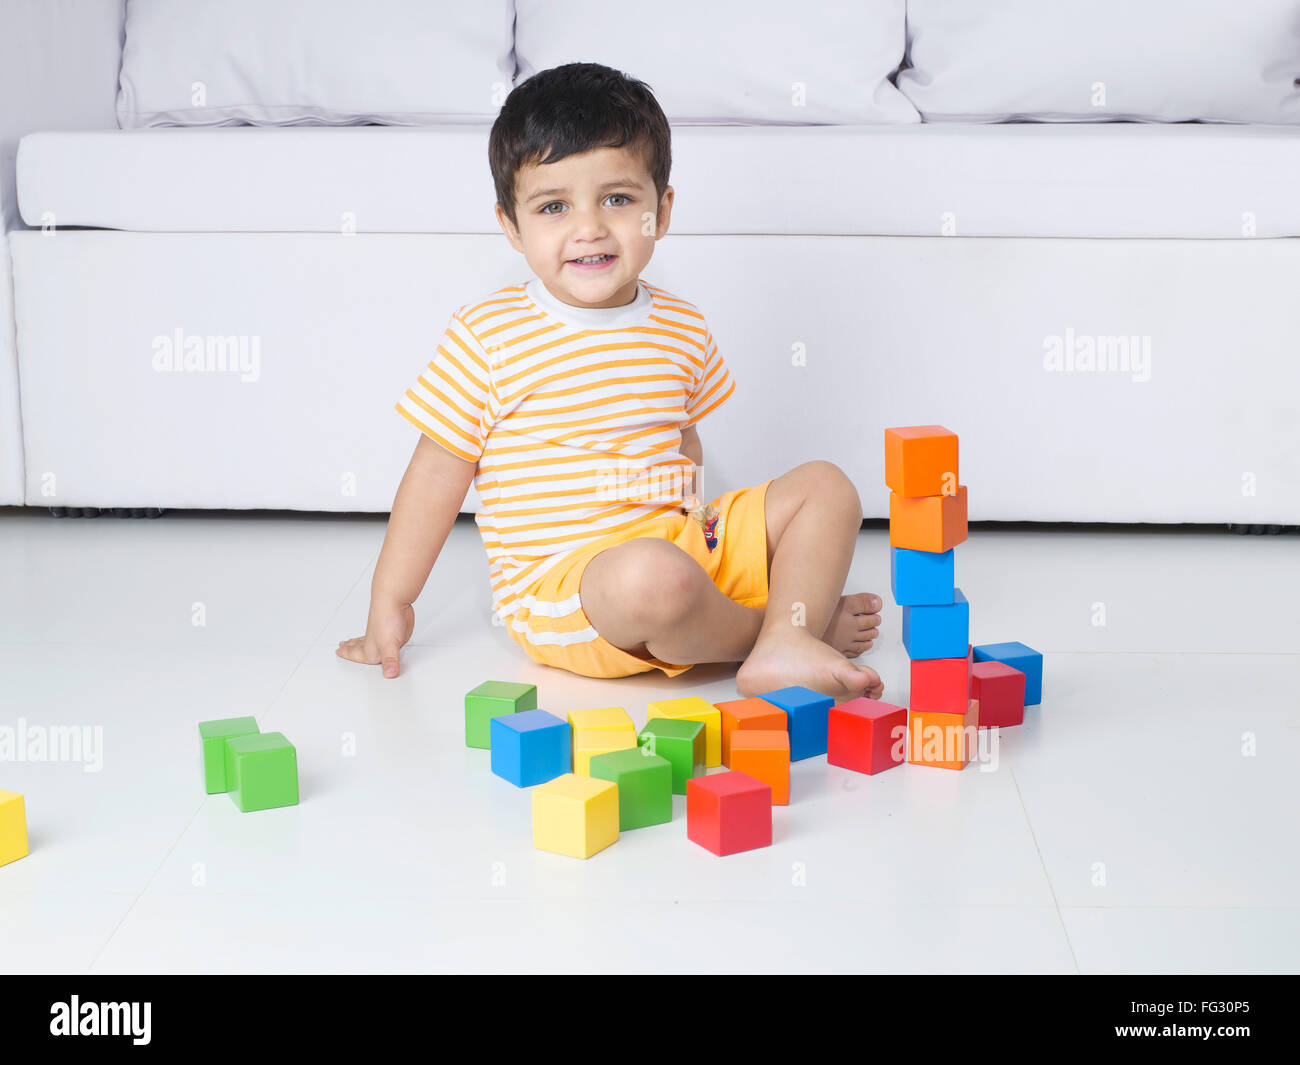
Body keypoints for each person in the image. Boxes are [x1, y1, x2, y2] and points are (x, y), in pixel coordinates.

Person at [338, 62, 884, 700]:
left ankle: (779, 638)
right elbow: (435, 476)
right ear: (511, 226)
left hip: (674, 545)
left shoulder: (682, 324)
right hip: (567, 587)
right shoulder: (488, 333)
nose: (590, 227)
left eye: (618, 199)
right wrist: (391, 600)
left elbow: (683, 445)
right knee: (654, 579)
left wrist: (705, 544)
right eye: (553, 207)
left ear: (663, 209)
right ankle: (778, 631)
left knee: (828, 486)